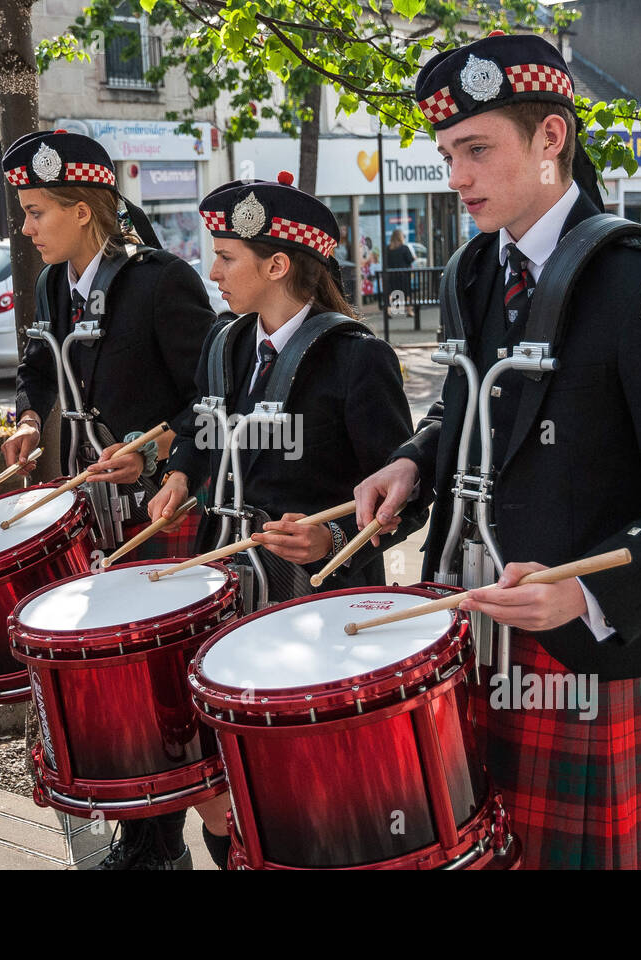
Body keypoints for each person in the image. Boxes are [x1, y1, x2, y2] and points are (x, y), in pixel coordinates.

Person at [355, 32, 641, 869]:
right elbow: (464, 413)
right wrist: (412, 463)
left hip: (570, 657)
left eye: (476, 150)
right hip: (458, 630)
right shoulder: (471, 273)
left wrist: (585, 595)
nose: (455, 177)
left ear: (551, 139)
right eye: (447, 153)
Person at [150, 171, 419, 868]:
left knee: (310, 787)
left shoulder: (356, 358)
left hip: (316, 606)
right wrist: (182, 469)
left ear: (277, 265)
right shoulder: (224, 343)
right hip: (225, 589)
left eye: (227, 258)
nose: (212, 273)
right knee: (221, 772)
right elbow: (204, 428)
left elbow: (406, 492)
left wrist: (332, 537)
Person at [0, 130, 213, 563]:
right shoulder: (52, 282)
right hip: (90, 505)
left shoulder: (160, 280)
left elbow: (211, 398)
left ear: (81, 212)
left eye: (35, 212)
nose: (26, 229)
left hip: (165, 502)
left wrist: (153, 448)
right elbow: (39, 365)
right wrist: (29, 419)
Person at [385, 228, 416, 308]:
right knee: (407, 292)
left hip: (391, 277)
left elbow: (386, 262)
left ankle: (388, 310)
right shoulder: (404, 248)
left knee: (390, 293)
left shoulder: (388, 249)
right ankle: (409, 310)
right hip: (404, 277)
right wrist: (414, 257)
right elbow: (410, 260)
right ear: (401, 237)